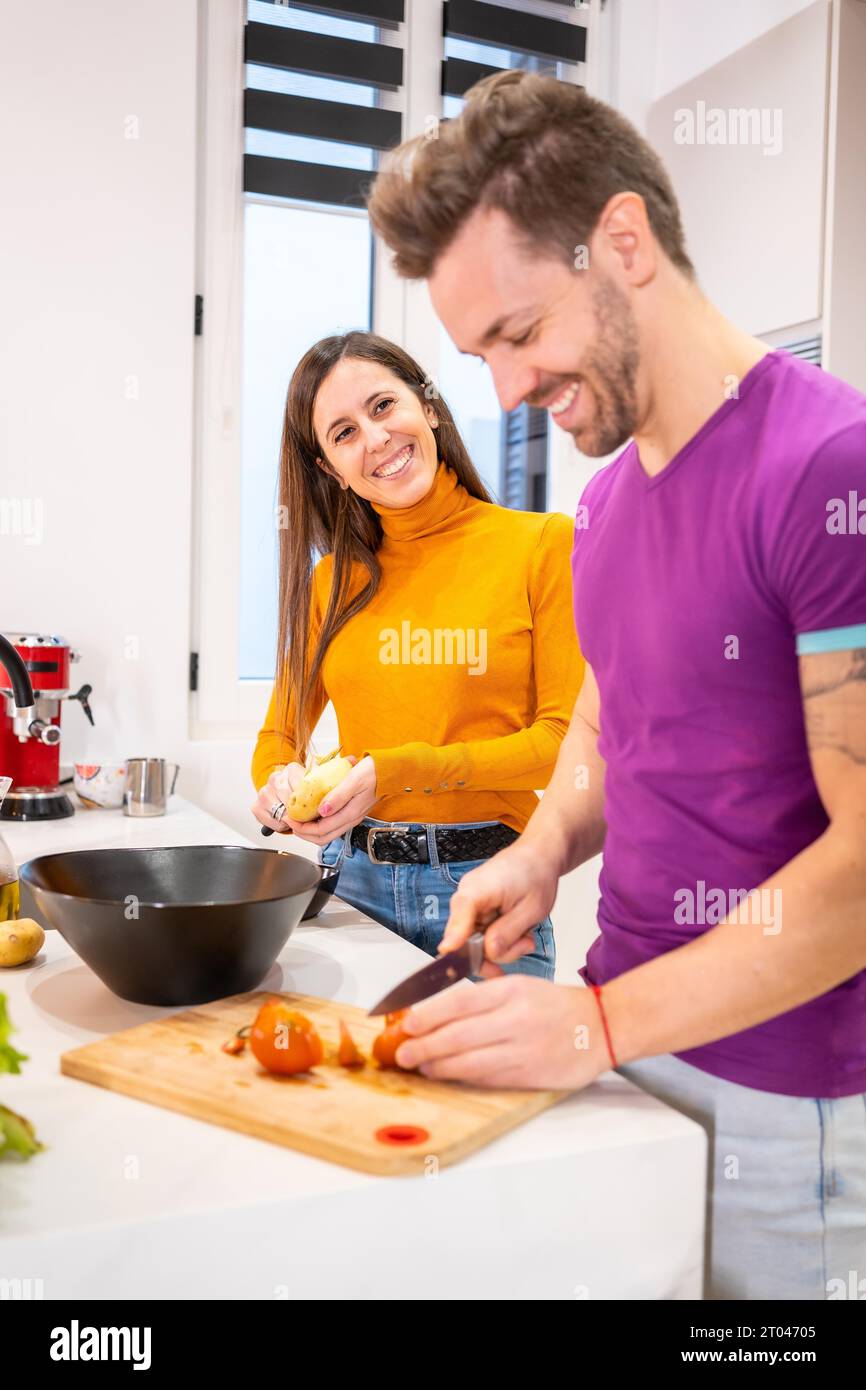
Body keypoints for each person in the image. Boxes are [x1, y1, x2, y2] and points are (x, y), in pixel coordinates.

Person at [366, 68, 866, 1300]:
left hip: (779, 1098)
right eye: (479, 353)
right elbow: (611, 710)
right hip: (625, 1040)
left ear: (623, 242)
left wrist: (593, 1026)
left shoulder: (826, 468)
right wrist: (543, 847)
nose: (504, 392)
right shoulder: (602, 502)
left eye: (518, 334)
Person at [251, 330, 584, 978]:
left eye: (383, 407)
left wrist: (395, 771)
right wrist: (277, 788)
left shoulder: (541, 545)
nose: (375, 440)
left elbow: (561, 744)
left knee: (487, 1082)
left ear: (427, 406)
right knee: (348, 1081)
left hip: (487, 892)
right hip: (349, 884)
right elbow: (278, 735)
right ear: (330, 470)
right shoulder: (331, 582)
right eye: (343, 433)